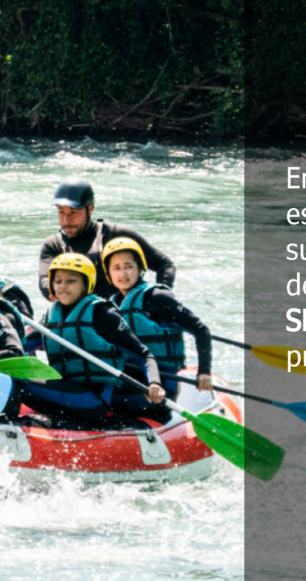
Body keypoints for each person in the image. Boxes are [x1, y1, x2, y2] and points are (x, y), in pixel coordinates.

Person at [23, 253, 165, 421]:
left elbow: (145, 355)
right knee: (8, 376)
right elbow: (23, 346)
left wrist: (154, 383)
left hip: (91, 399)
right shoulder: (50, 316)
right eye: (58, 281)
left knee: (17, 383)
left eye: (71, 281)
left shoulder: (102, 313)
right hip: (65, 387)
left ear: (86, 284)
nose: (62, 286)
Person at [102, 237, 213, 405]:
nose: (123, 274)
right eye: (116, 268)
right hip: (129, 377)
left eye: (129, 267)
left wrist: (204, 372)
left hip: (160, 386)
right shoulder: (112, 304)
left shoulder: (158, 297)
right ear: (109, 274)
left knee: (100, 397)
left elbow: (200, 329)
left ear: (140, 268)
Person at [37, 177, 177, 299]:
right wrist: (55, 291)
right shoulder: (52, 245)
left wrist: (159, 299)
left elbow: (164, 264)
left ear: (89, 209)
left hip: (122, 318)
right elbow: (44, 280)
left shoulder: (116, 235)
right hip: (81, 320)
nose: (66, 220)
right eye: (61, 212)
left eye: (74, 213)